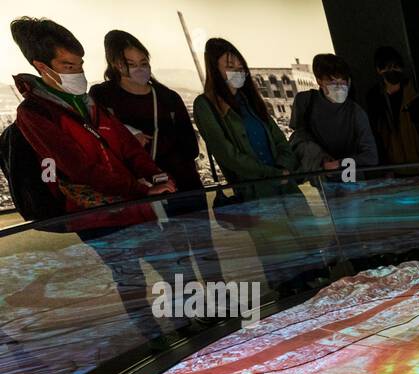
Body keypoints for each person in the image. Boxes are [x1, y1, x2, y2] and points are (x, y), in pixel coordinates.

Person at [10, 17, 177, 345]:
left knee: (171, 267)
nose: (77, 72)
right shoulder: (35, 114)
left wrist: (154, 173)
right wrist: (141, 188)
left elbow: (126, 146)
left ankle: (186, 322)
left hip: (134, 207)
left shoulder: (88, 104)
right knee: (130, 279)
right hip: (97, 216)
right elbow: (80, 169)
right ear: (41, 66)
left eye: (80, 64)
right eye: (67, 65)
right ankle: (155, 340)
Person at [90, 28, 221, 294]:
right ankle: (193, 309)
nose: (139, 69)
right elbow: (100, 138)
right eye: (131, 64)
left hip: (184, 184)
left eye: (143, 63)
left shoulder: (166, 96)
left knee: (203, 247)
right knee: (173, 257)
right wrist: (128, 135)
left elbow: (190, 145)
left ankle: (221, 299)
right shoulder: (102, 97)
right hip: (146, 191)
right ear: (115, 64)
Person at [193, 36, 327, 296]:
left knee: (305, 242)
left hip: (284, 185)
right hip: (257, 191)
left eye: (239, 65)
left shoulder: (250, 101)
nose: (237, 71)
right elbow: (228, 155)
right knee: (279, 251)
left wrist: (285, 167)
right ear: (215, 70)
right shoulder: (206, 106)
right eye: (229, 66)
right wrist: (271, 174)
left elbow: (278, 138)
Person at [364, 46, 419, 167]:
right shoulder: (375, 98)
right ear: (379, 70)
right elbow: (376, 133)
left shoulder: (417, 93)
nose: (393, 70)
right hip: (392, 164)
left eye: (396, 66)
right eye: (388, 67)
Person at [289, 53, 378, 171]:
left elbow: (371, 157)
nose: (339, 87)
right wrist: (320, 158)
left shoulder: (355, 112)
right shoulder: (306, 101)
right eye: (332, 82)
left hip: (349, 175)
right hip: (318, 174)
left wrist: (339, 164)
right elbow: (300, 136)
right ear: (319, 81)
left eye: (342, 82)